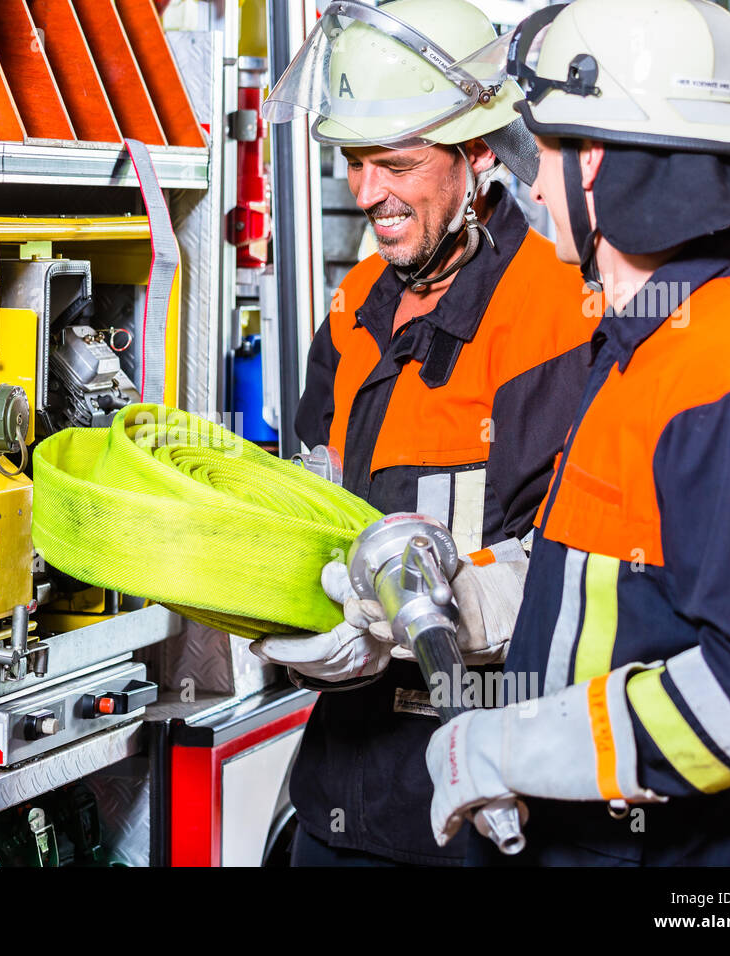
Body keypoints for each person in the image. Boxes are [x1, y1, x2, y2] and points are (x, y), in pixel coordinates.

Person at [425, 0, 730, 866]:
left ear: (598, 160)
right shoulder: (645, 338)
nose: (532, 186)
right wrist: (448, 598)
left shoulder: (721, 369)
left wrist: (515, 748)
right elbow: (610, 577)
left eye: (546, 153)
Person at [251, 0, 596, 865]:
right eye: (355, 162)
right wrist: (285, 615)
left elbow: (581, 581)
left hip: (484, 811)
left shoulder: (557, 318)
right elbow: (310, 512)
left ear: (478, 156)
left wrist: (435, 617)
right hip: (338, 804)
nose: (368, 193)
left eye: (396, 164)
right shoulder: (353, 311)